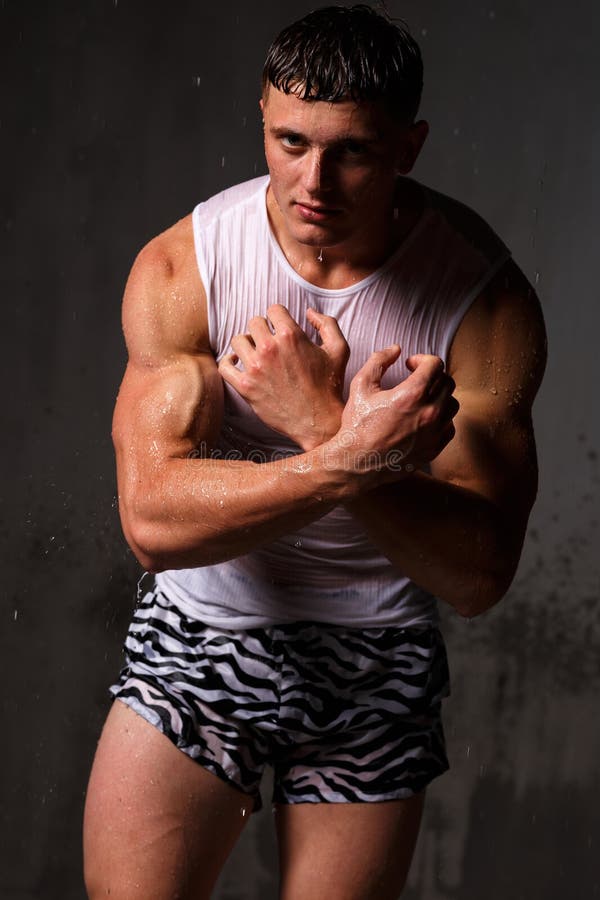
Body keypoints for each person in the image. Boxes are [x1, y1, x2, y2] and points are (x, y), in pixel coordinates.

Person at [83, 5, 546, 899]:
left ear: (408, 146)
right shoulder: (189, 270)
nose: (314, 180)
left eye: (355, 151)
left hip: (377, 652)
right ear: (261, 114)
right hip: (203, 631)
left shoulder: (481, 301)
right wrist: (347, 449)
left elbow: (480, 576)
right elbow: (149, 523)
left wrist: (314, 418)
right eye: (290, 140)